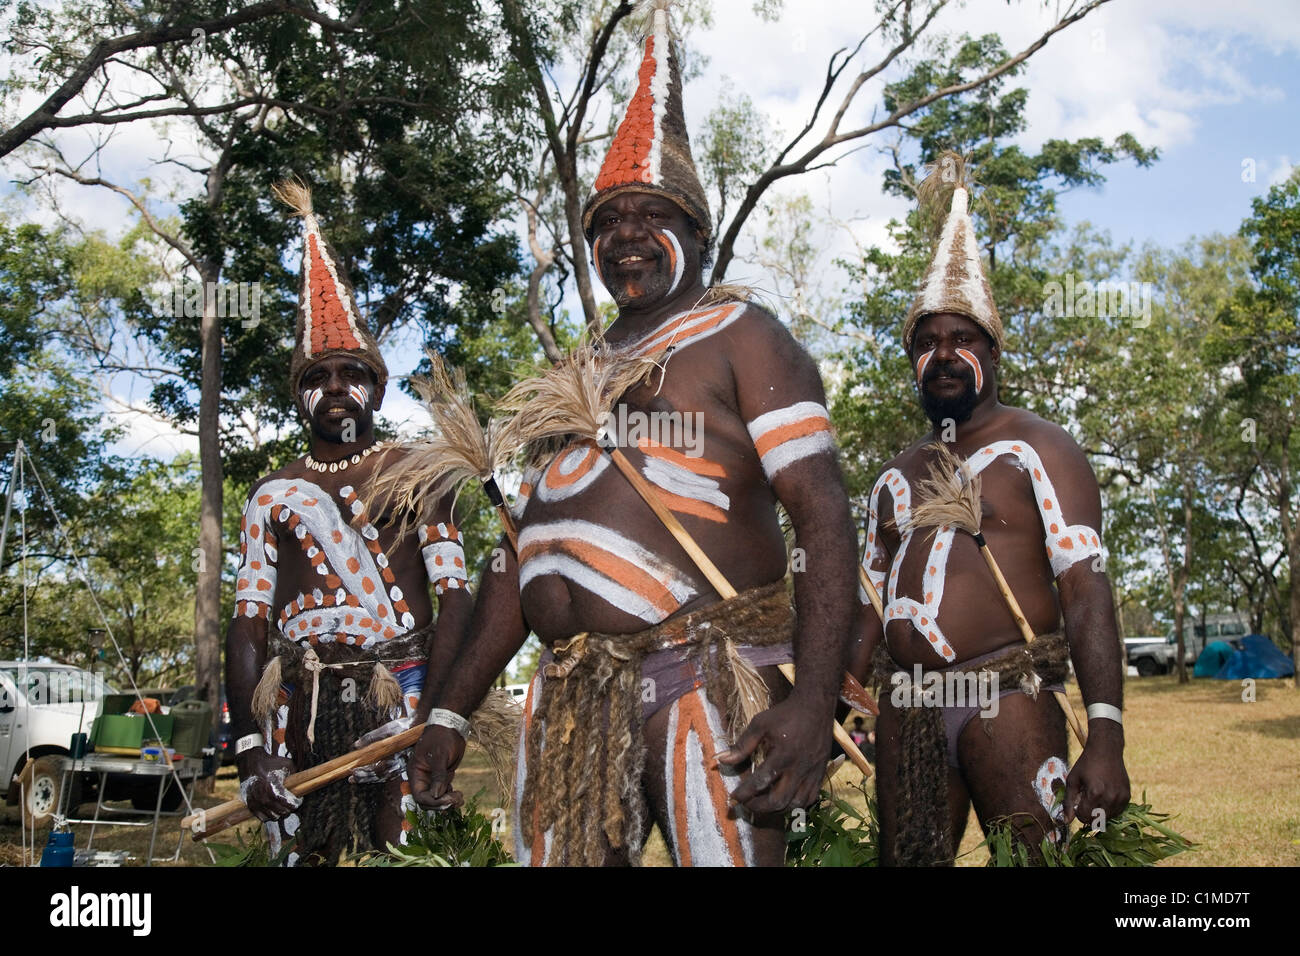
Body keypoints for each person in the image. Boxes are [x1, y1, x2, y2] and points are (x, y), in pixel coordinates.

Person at [406, 1, 858, 866]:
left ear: (698, 230)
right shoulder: (564, 385)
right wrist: (451, 712)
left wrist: (812, 700)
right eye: (605, 224)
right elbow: (519, 560)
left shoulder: (739, 337)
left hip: (708, 678)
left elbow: (824, 515)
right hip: (574, 697)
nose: (623, 237)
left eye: (649, 214)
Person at [852, 152, 1130, 865]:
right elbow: (865, 609)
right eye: (926, 342)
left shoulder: (1038, 447)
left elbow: (1085, 588)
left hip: (1009, 695)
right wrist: (833, 706)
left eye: (962, 339)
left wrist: (1106, 734)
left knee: (1036, 859)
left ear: (994, 352)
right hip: (907, 708)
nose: (942, 354)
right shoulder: (895, 476)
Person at [224, 183, 472, 866]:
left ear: (376, 387)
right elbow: (247, 621)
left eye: (351, 373)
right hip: (297, 702)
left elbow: (456, 598)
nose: (335, 386)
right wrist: (250, 746)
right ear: (300, 394)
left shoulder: (422, 470)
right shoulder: (271, 494)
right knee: (309, 854)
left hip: (404, 690)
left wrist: (437, 716)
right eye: (320, 375)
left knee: (404, 853)